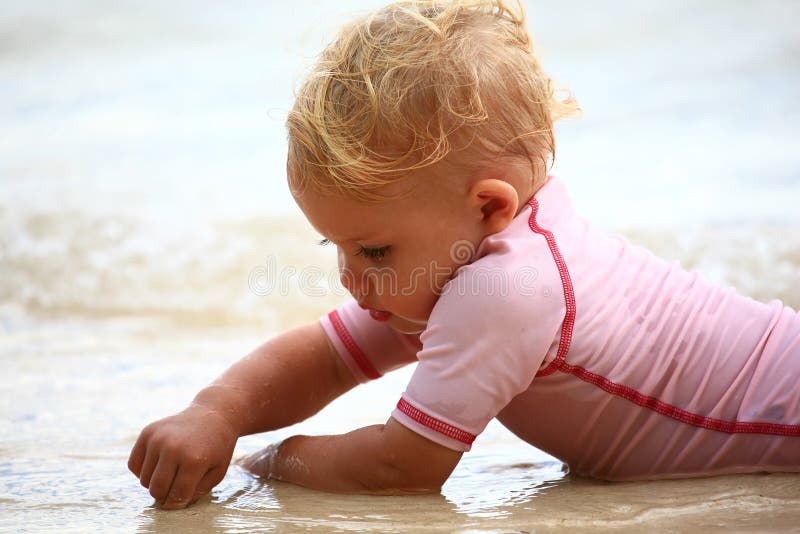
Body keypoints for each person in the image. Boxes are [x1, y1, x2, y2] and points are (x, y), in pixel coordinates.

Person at [127, 0, 800, 510]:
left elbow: (401, 470)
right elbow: (328, 356)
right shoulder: (490, 253)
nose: (350, 278)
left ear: (488, 207)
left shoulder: (508, 288)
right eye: (334, 246)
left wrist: (262, 464)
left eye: (374, 250)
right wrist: (215, 413)